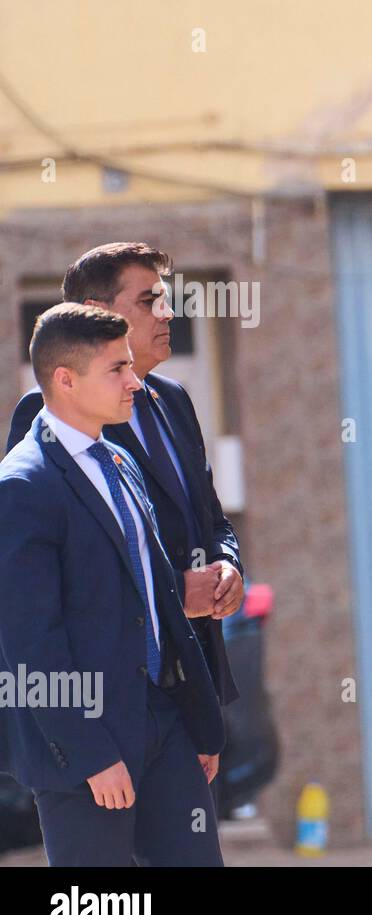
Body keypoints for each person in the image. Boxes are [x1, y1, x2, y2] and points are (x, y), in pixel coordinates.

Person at [0, 304, 225, 866]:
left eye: (131, 364)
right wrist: (88, 753)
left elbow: (147, 596)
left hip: (163, 720)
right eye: (116, 369)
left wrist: (198, 721)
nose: (134, 381)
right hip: (85, 742)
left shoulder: (121, 460)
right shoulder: (22, 486)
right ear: (66, 380)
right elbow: (30, 641)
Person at [6, 243, 244, 707]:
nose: (167, 313)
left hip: (197, 686)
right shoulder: (49, 413)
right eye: (149, 300)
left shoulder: (173, 398)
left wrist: (228, 566)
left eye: (166, 299)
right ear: (97, 312)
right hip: (118, 694)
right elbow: (54, 578)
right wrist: (175, 590)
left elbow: (212, 519)